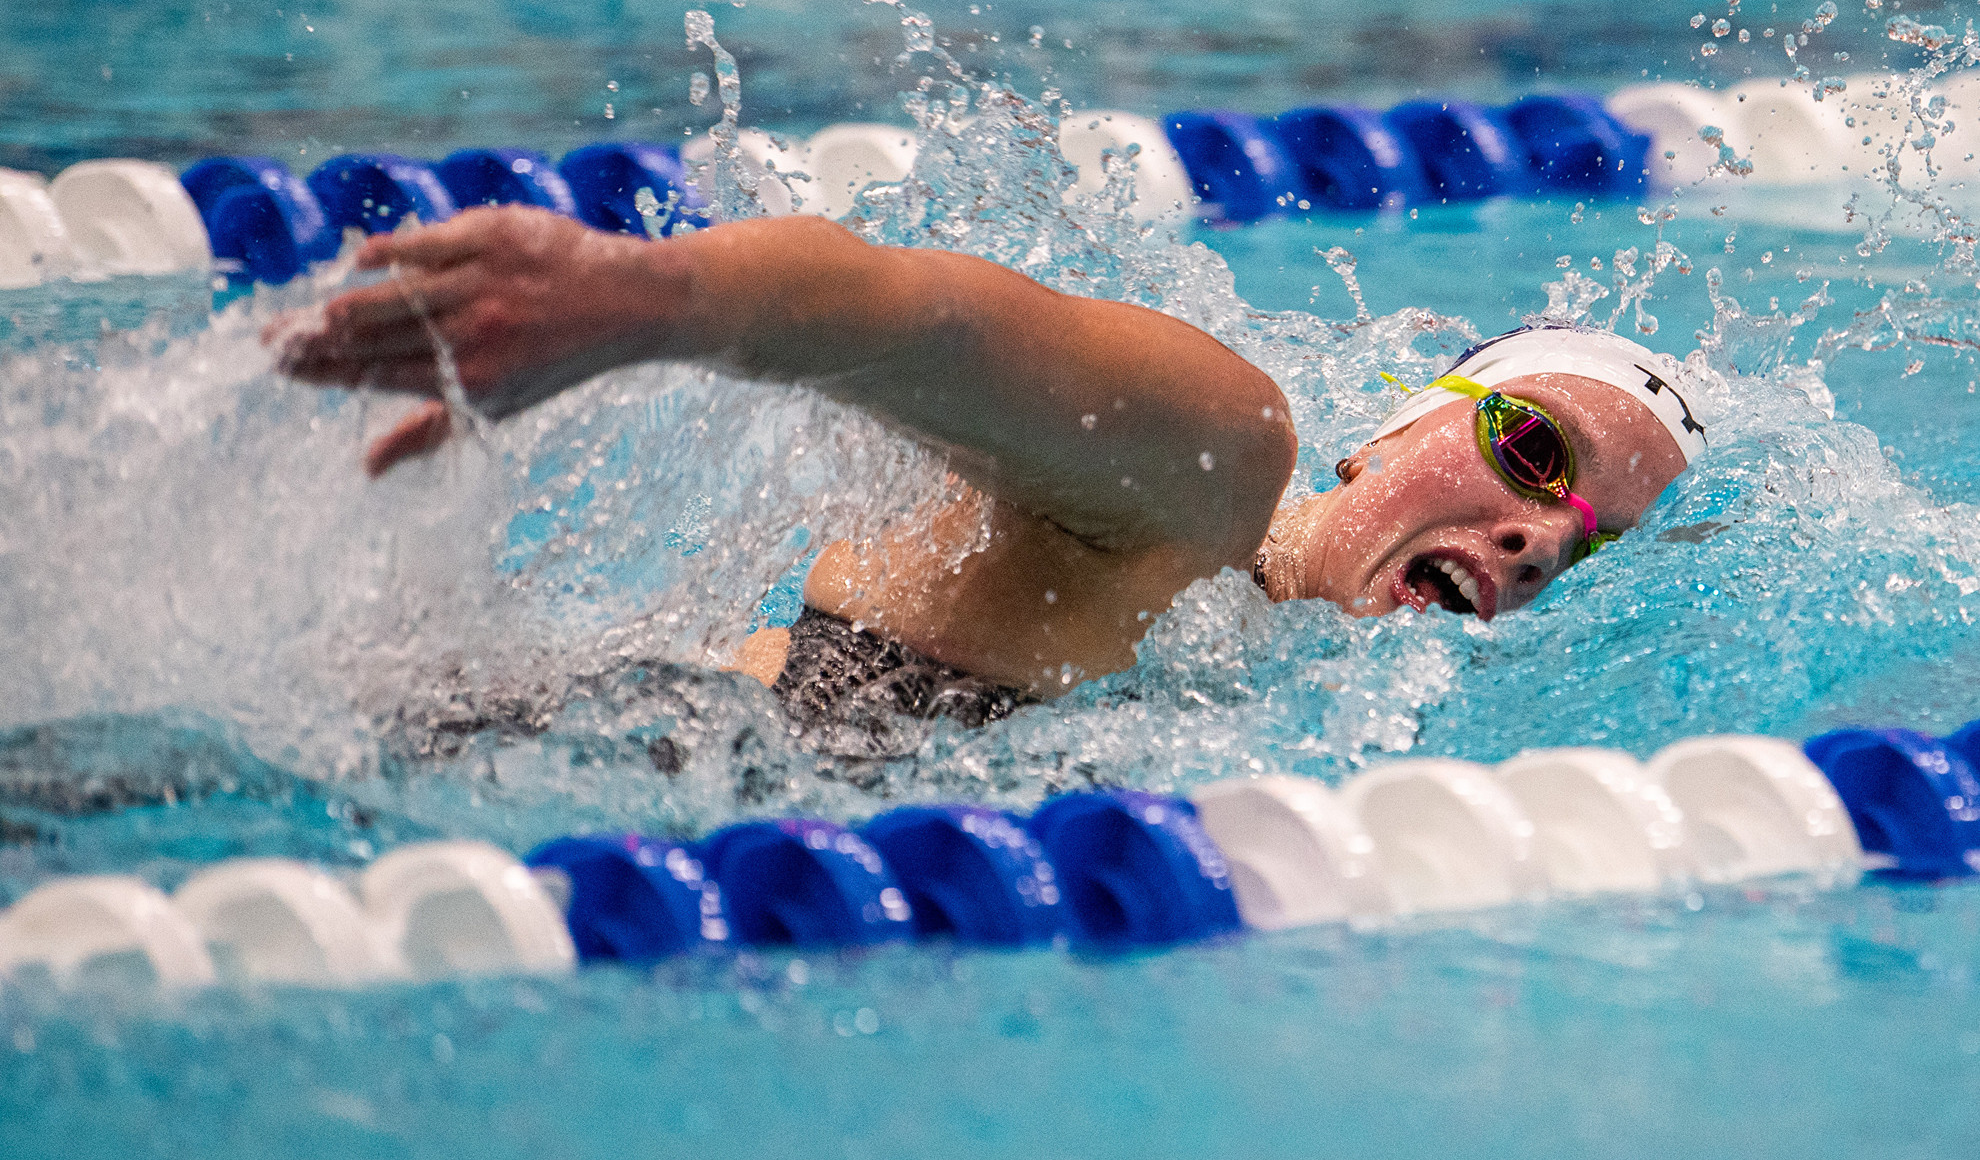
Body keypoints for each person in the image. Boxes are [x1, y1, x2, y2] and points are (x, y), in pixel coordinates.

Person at [266, 205, 1703, 738]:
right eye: (1535, 452)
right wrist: (646, 298)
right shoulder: (1212, 466)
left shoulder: (1273, 676)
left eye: (1586, 546)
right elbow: (930, 319)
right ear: (1389, 429)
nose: (1535, 540)